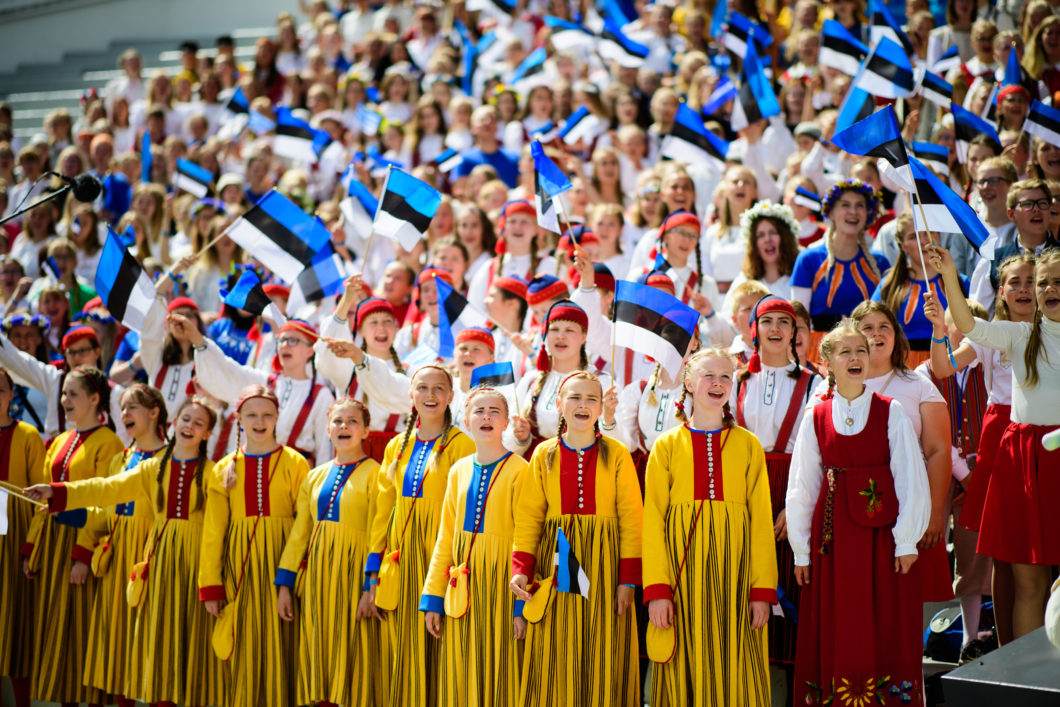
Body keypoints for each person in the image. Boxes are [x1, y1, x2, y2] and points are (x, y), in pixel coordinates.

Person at [27, 396, 224, 706]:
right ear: (173, 422)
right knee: (162, 651)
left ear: (208, 434)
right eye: (186, 419)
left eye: (199, 423)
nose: (190, 426)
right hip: (160, 566)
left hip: (195, 568)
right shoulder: (152, 468)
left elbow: (216, 533)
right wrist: (58, 491)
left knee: (192, 653)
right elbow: (108, 488)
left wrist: (211, 584)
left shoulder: (214, 473)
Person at [787, 323, 931, 707]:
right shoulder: (815, 416)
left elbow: (909, 477)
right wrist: (801, 551)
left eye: (861, 351)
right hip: (833, 540)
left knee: (885, 620)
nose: (855, 358)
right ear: (827, 362)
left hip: (882, 539)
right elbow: (803, 484)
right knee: (839, 621)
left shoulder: (892, 411)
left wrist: (906, 540)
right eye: (845, 351)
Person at [932, 244, 1060, 641]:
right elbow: (971, 327)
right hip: (1028, 462)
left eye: (1057, 281)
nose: (1048, 288)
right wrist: (950, 274)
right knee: (1029, 584)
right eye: (1044, 283)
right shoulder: (1019, 334)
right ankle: (1028, 686)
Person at [510, 371, 643, 707]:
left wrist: (627, 582)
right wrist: (521, 568)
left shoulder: (617, 453)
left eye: (591, 399)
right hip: (556, 562)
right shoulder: (542, 454)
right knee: (556, 646)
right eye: (575, 397)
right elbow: (529, 517)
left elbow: (631, 518)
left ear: (602, 407)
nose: (583, 405)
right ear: (558, 404)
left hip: (604, 564)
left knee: (600, 646)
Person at [364, 364, 475, 707]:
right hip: (401, 554)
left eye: (439, 388)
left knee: (439, 643)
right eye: (422, 388)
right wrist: (373, 571)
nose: (431, 395)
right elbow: (384, 508)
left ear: (451, 396)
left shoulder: (463, 444)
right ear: (410, 395)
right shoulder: (397, 446)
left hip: (439, 555)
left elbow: (466, 508)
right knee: (400, 645)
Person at [199, 385, 311, 707]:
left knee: (283, 643)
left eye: (267, 415)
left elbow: (302, 522)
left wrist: (291, 574)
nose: (259, 421)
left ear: (278, 417)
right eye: (251, 415)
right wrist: (211, 586)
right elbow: (213, 533)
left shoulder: (295, 463)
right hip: (240, 568)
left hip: (283, 563)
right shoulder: (224, 468)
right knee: (244, 645)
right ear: (238, 419)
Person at [20, 366, 124, 705]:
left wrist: (83, 555)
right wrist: (32, 548)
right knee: (56, 635)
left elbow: (102, 500)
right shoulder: (61, 441)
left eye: (73, 394)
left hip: (82, 549)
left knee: (81, 634)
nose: (65, 400)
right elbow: (42, 500)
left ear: (95, 399)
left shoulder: (110, 443)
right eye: (63, 393)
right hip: (52, 547)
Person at [420, 387, 530, 706]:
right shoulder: (458, 471)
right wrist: (433, 597)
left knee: (501, 664)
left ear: (507, 422)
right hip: (463, 584)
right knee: (462, 665)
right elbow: (446, 537)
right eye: (479, 411)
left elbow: (526, 538)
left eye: (495, 411)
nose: (487, 416)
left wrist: (520, 606)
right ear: (466, 422)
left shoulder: (519, 471)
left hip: (501, 582)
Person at [274, 398, 382, 707]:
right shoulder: (315, 475)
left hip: (354, 577)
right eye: (337, 421)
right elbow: (300, 535)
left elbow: (378, 535)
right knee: (317, 652)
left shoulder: (376, 474)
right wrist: (285, 585)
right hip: (318, 579)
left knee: (352, 656)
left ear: (366, 431)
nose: (344, 426)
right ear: (327, 428)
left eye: (352, 421)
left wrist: (369, 587)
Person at [731, 296, 819, 673]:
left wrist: (794, 506)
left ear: (795, 332)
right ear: (755, 330)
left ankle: (782, 678)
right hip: (741, 484)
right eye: (768, 321)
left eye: (785, 322)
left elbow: (812, 448)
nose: (777, 329)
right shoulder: (734, 379)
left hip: (790, 482)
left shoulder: (815, 382)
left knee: (786, 582)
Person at [76, 385, 168, 706]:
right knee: (115, 646)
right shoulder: (120, 459)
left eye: (133, 408)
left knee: (150, 648)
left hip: (148, 558)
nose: (125, 414)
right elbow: (102, 509)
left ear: (154, 411)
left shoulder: (169, 460)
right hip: (116, 558)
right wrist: (83, 553)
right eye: (123, 408)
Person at [175, 315, 335, 465]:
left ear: (310, 350)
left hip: (296, 477)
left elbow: (325, 452)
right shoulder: (263, 382)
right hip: (258, 469)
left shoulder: (321, 395)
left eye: (294, 340)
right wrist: (196, 338)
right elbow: (228, 370)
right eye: (283, 340)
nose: (285, 345)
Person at [790, 180, 891, 362]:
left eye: (859, 205)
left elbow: (887, 317)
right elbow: (798, 319)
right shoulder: (809, 260)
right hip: (819, 353)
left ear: (868, 213)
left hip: (866, 353)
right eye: (845, 205)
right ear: (831, 212)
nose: (853, 211)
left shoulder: (880, 263)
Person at [0, 367, 44, 707]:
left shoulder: (28, 435)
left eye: (0, 389)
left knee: (16, 627)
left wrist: (31, 545)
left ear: (11, 395)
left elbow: (38, 499)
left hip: (14, 536)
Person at [873, 214, 969, 366]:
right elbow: (872, 324)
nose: (923, 241)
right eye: (913, 237)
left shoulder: (960, 282)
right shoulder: (889, 285)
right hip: (903, 366)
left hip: (951, 363)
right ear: (903, 245)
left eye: (929, 234)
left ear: (938, 237)